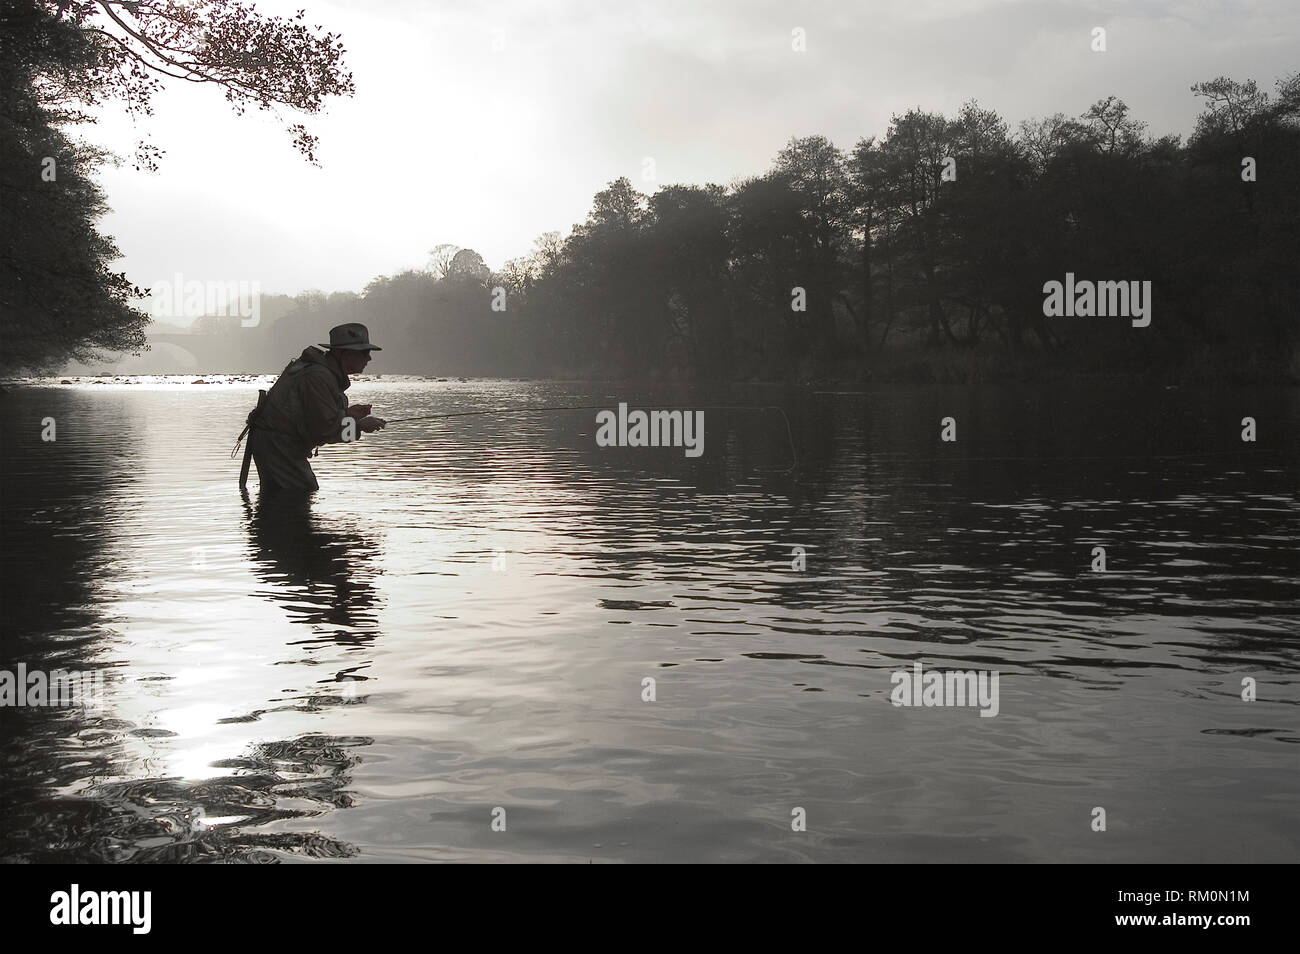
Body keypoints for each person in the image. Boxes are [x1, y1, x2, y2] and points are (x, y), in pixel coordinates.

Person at [243, 323, 388, 493]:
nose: (369, 358)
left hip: (277, 444)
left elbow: (319, 421)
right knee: (301, 492)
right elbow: (323, 431)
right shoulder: (318, 376)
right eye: (364, 352)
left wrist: (349, 415)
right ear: (343, 354)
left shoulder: (322, 373)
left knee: (286, 497)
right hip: (278, 445)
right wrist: (360, 425)